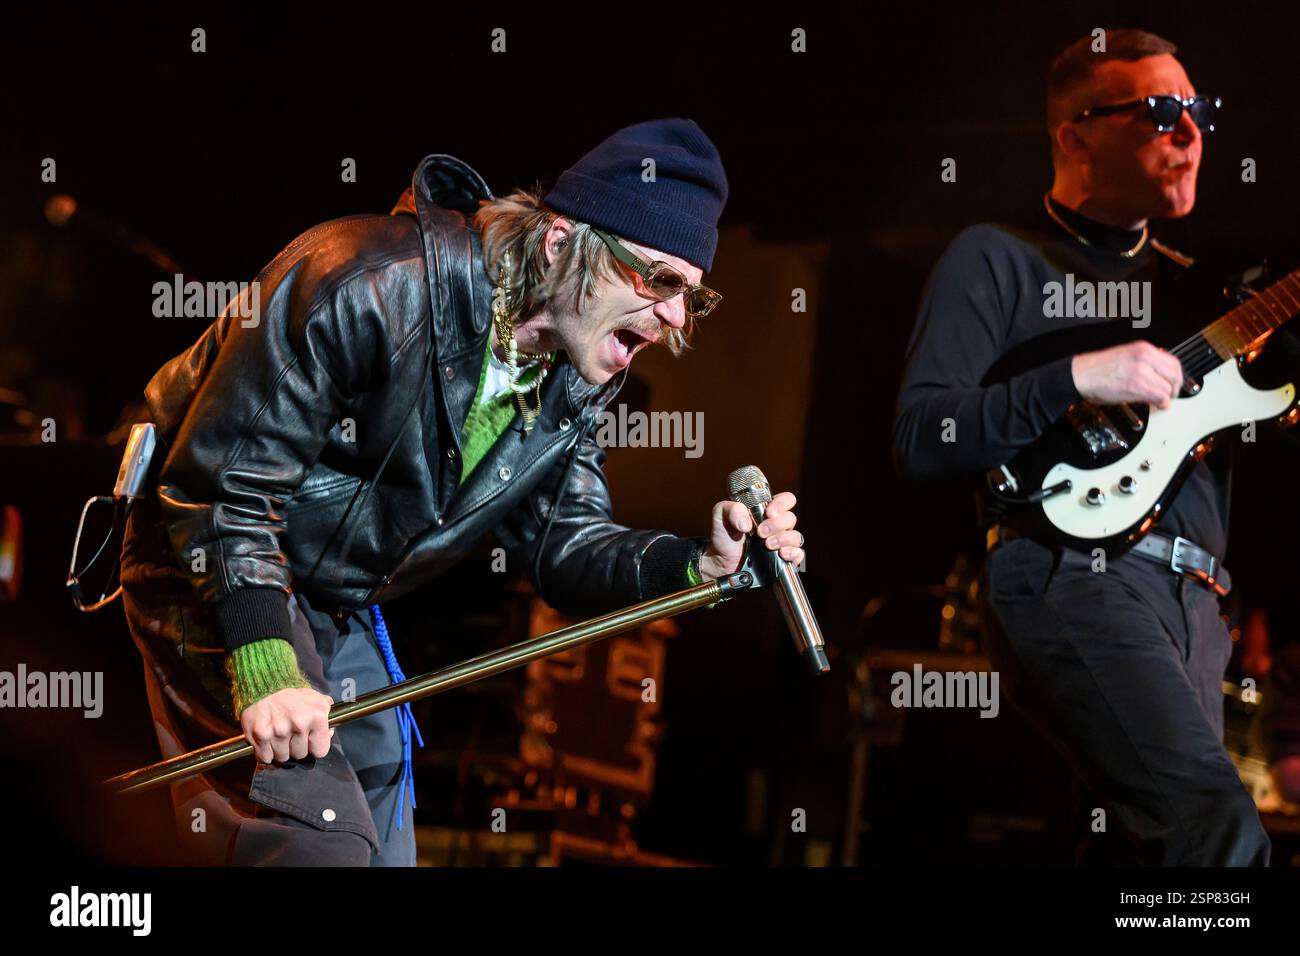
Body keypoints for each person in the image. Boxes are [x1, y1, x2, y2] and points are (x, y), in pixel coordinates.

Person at [118, 118, 806, 865]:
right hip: (207, 564)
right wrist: (263, 665)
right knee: (318, 839)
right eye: (659, 279)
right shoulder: (365, 281)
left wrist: (699, 566)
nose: (676, 317)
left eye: (692, 298)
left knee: (385, 841)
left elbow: (566, 544)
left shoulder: (570, 380)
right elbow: (221, 487)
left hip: (328, 596)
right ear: (560, 244)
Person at [892, 30, 1297, 865]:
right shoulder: (995, 258)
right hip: (1069, 575)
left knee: (1137, 856)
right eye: (1159, 112)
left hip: (1197, 604)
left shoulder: (1201, 288)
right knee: (1218, 835)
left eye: (1199, 112)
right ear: (1074, 135)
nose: (1190, 134)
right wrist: (1075, 377)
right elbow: (918, 437)